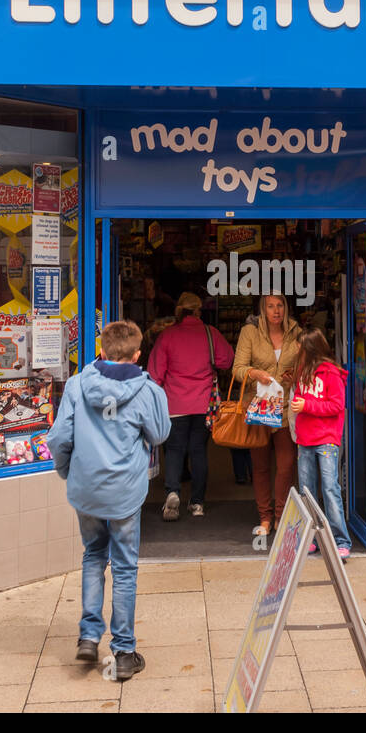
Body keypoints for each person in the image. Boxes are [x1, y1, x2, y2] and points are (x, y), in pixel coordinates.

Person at [47, 320, 170, 681]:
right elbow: (160, 433)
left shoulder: (76, 384)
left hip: (86, 490)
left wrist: (69, 472)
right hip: (125, 492)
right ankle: (124, 650)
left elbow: (59, 439)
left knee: (93, 556)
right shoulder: (147, 390)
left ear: (101, 351)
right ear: (137, 355)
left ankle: (88, 635)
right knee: (125, 567)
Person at [147, 292, 234, 521]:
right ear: (198, 311)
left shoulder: (167, 336)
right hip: (204, 404)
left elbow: (155, 373)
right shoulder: (210, 333)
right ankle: (197, 503)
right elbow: (226, 360)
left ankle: (173, 492)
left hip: (174, 404)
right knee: (198, 451)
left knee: (174, 450)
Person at [232, 293, 302, 537]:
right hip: (260, 408)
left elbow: (306, 365)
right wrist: (254, 373)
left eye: (280, 305)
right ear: (262, 309)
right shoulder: (249, 333)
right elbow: (237, 368)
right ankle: (265, 517)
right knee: (260, 467)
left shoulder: (296, 332)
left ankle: (281, 516)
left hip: (286, 409)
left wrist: (296, 376)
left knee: (286, 465)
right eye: (270, 306)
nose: (276, 311)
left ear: (286, 307)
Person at [290, 328, 352, 559]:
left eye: (299, 347)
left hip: (326, 440)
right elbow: (300, 399)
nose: (296, 351)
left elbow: (337, 406)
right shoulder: (302, 371)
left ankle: (341, 541)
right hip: (305, 438)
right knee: (307, 491)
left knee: (329, 489)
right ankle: (311, 538)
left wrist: (306, 407)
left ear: (310, 350)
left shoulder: (331, 374)